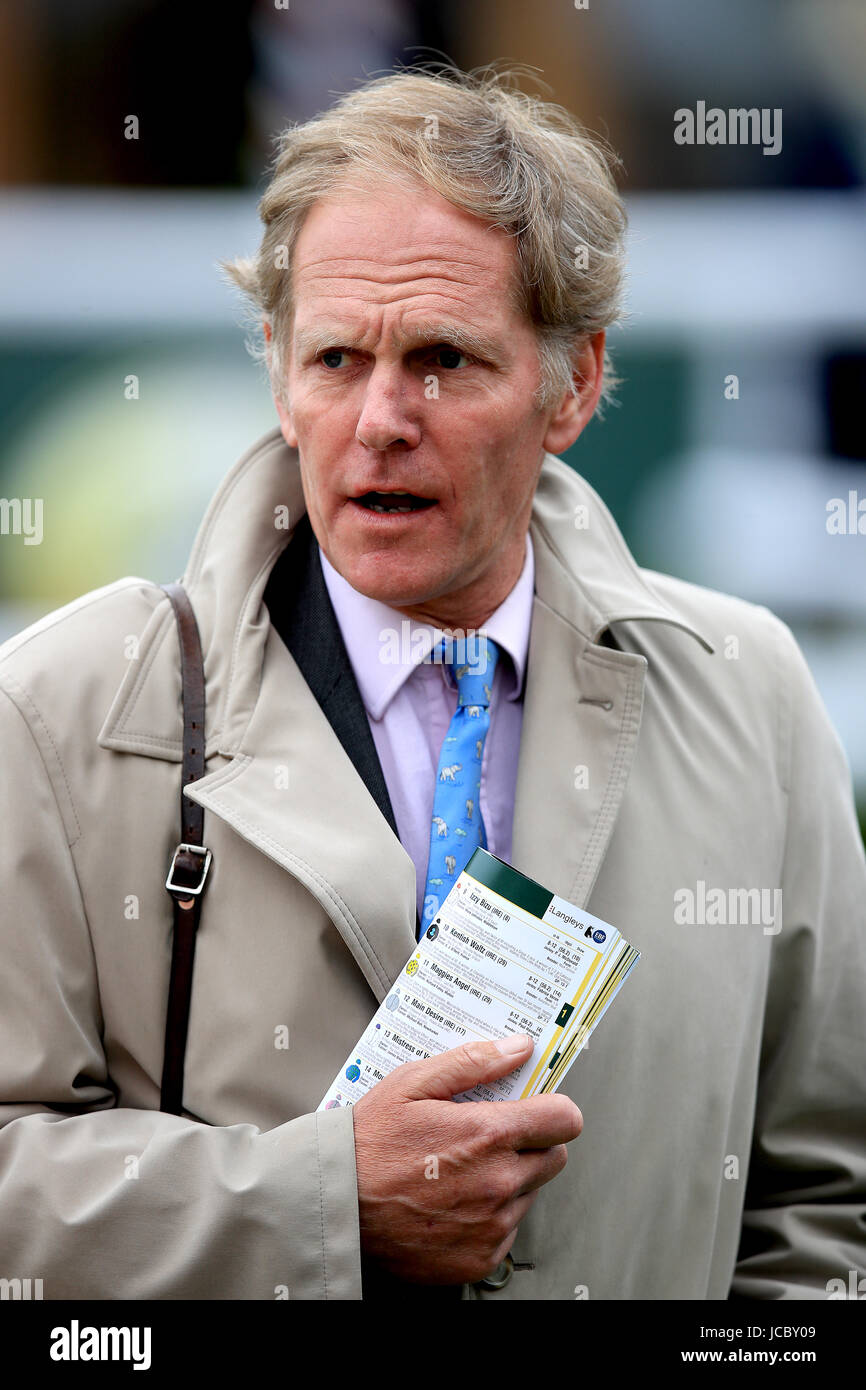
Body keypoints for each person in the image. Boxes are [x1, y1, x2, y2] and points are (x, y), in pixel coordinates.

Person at [0, 67, 864, 1302]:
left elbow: (827, 1200)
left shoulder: (748, 693)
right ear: (277, 371)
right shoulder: (61, 709)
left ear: (572, 384)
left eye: (445, 360)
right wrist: (321, 1207)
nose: (379, 419)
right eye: (337, 357)